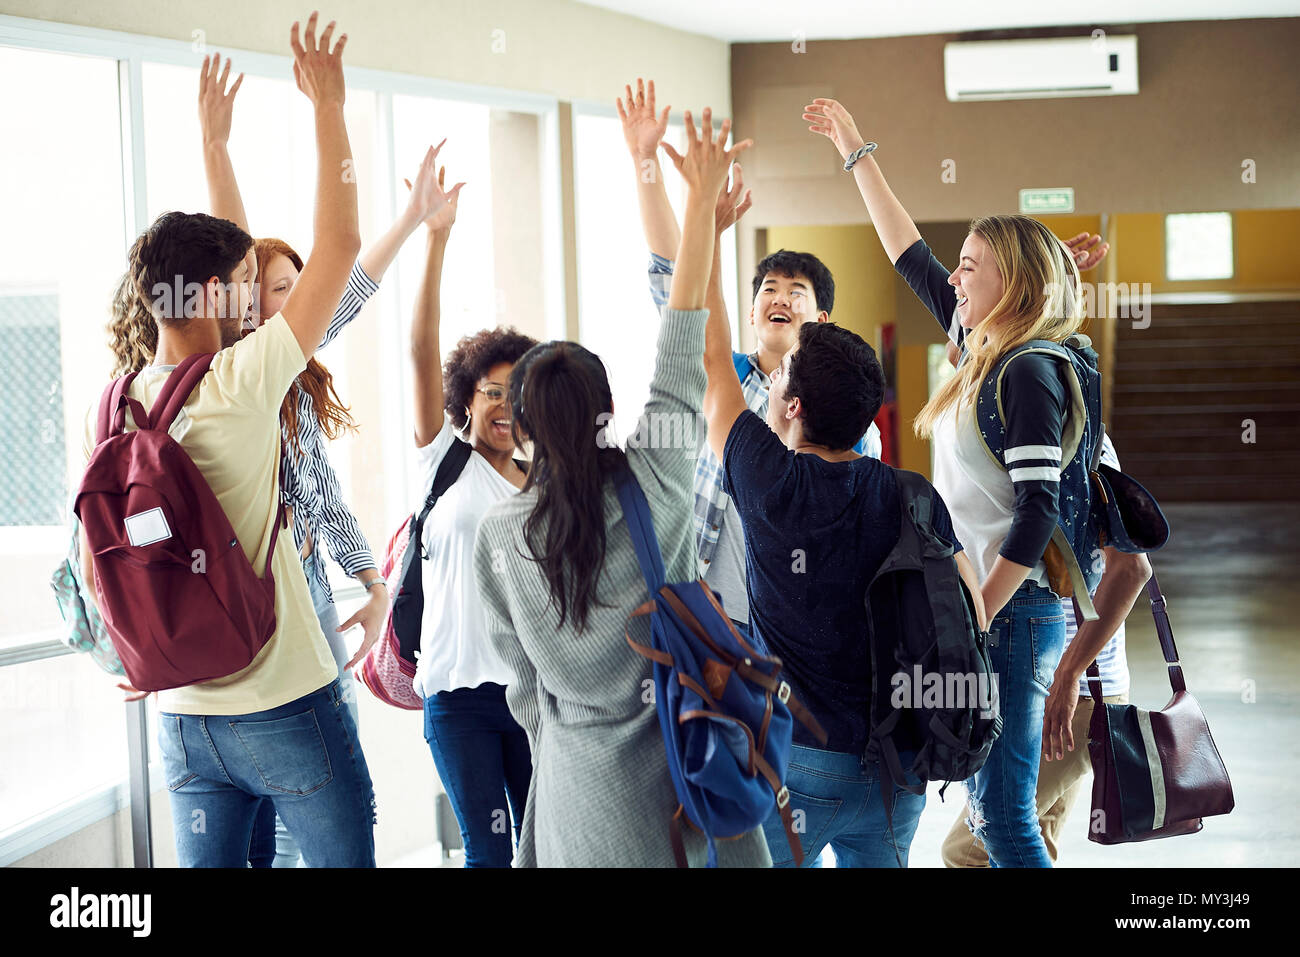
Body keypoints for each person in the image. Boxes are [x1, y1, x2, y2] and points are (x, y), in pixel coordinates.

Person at [81, 14, 376, 867]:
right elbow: (341, 245)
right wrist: (329, 108)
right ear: (216, 295)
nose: (253, 296)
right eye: (242, 285)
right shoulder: (243, 382)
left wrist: (214, 147)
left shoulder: (118, 404)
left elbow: (227, 269)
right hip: (284, 704)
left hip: (182, 719)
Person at [804, 96, 1101, 867]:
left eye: (971, 265)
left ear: (1014, 282)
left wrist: (978, 611)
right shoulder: (979, 342)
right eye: (959, 265)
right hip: (987, 609)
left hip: (1013, 613)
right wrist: (854, 146)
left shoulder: (1027, 370)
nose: (954, 277)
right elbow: (906, 251)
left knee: (1002, 819)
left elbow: (1036, 511)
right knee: (995, 816)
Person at [471, 107, 769, 866]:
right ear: (608, 407)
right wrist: (697, 208)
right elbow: (686, 338)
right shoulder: (657, 475)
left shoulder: (498, 534)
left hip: (577, 801)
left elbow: (525, 691)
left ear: (520, 424)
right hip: (682, 779)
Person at [616, 79, 881, 636]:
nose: (779, 298)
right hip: (704, 605)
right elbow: (675, 276)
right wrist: (645, 162)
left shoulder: (846, 409)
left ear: (822, 320)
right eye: (769, 289)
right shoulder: (723, 377)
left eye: (796, 292)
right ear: (751, 309)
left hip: (793, 616)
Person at [404, 146, 537, 867]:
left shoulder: (545, 482)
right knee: (489, 852)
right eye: (492, 392)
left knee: (544, 850)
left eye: (519, 394)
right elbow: (420, 348)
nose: (505, 406)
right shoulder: (443, 459)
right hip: (457, 698)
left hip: (532, 693)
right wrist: (437, 238)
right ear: (467, 397)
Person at [942, 433, 1153, 866]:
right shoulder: (1030, 434)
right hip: (1060, 684)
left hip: (1072, 693)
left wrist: (1069, 674)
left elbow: (1132, 568)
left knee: (968, 853)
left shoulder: (1081, 444)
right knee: (1033, 844)